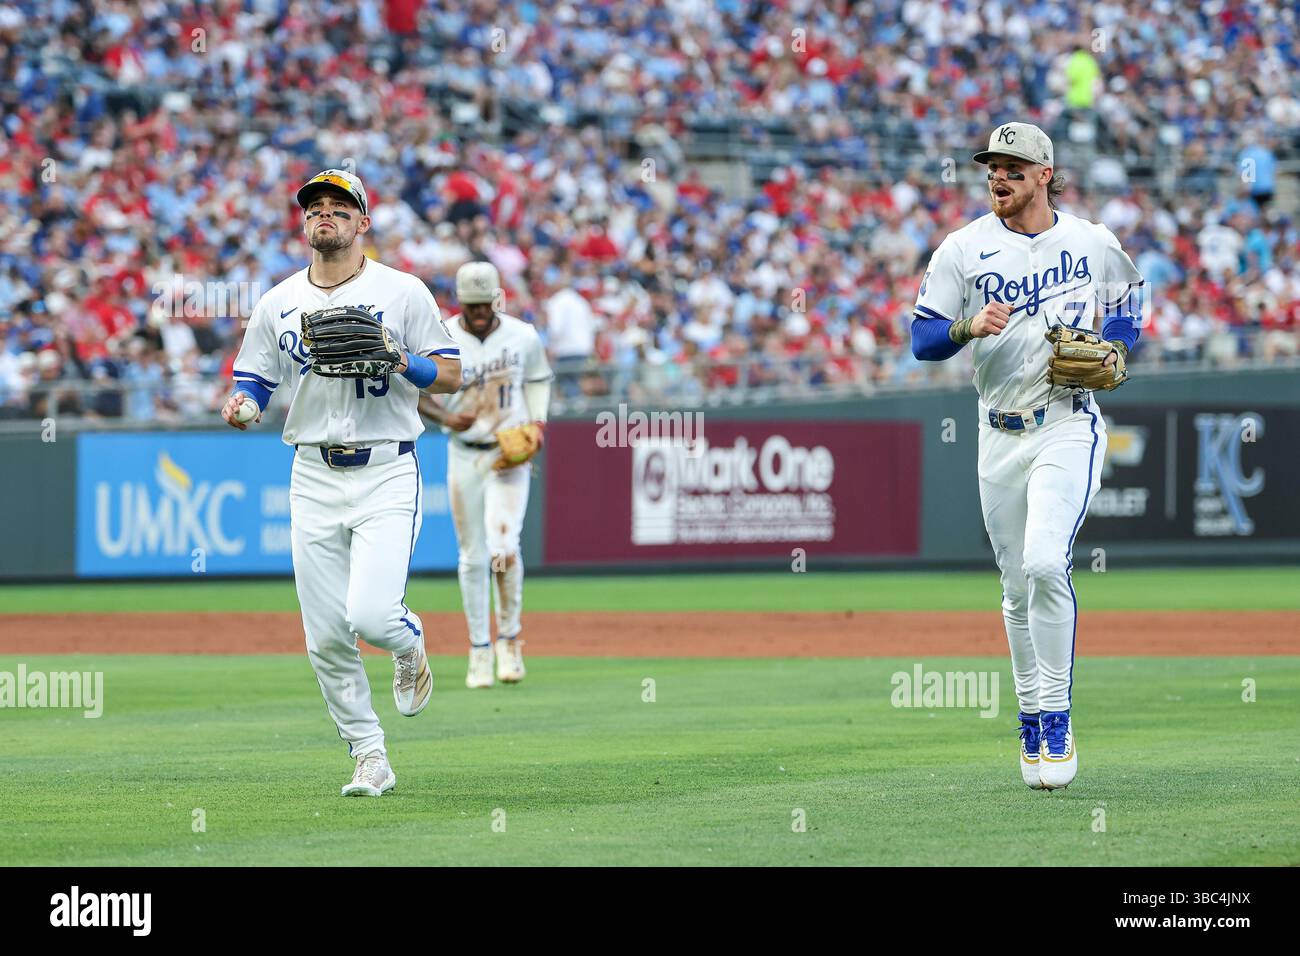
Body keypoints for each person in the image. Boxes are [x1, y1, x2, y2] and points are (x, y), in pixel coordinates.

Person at [910, 124, 1144, 790]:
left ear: (1046, 173)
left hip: (1066, 423)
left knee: (1045, 560)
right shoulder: (963, 249)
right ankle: (1033, 716)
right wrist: (966, 326)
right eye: (991, 168)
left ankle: (1061, 714)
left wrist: (1119, 348)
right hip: (996, 431)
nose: (998, 178)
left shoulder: (1090, 241)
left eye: (1013, 167)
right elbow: (922, 338)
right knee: (1015, 588)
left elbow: (1128, 298)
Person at [220, 169, 462, 797]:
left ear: (362, 222)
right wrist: (243, 402)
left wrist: (399, 359)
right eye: (315, 207)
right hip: (312, 471)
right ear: (305, 223)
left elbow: (452, 373)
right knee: (326, 633)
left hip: (386, 465)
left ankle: (408, 644)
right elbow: (254, 377)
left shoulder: (402, 291)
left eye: (338, 206)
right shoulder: (277, 302)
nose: (324, 214)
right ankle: (369, 755)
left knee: (372, 614)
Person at [417, 261, 552, 688]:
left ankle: (509, 641)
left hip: (508, 454)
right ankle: (478, 650)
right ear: (461, 301)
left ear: (497, 297)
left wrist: (539, 424)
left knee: (504, 546)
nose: (477, 312)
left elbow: (539, 380)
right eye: (470, 304)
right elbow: (412, 390)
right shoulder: (442, 336)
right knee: (472, 555)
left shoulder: (522, 336)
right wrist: (444, 417)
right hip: (464, 454)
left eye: (483, 303)